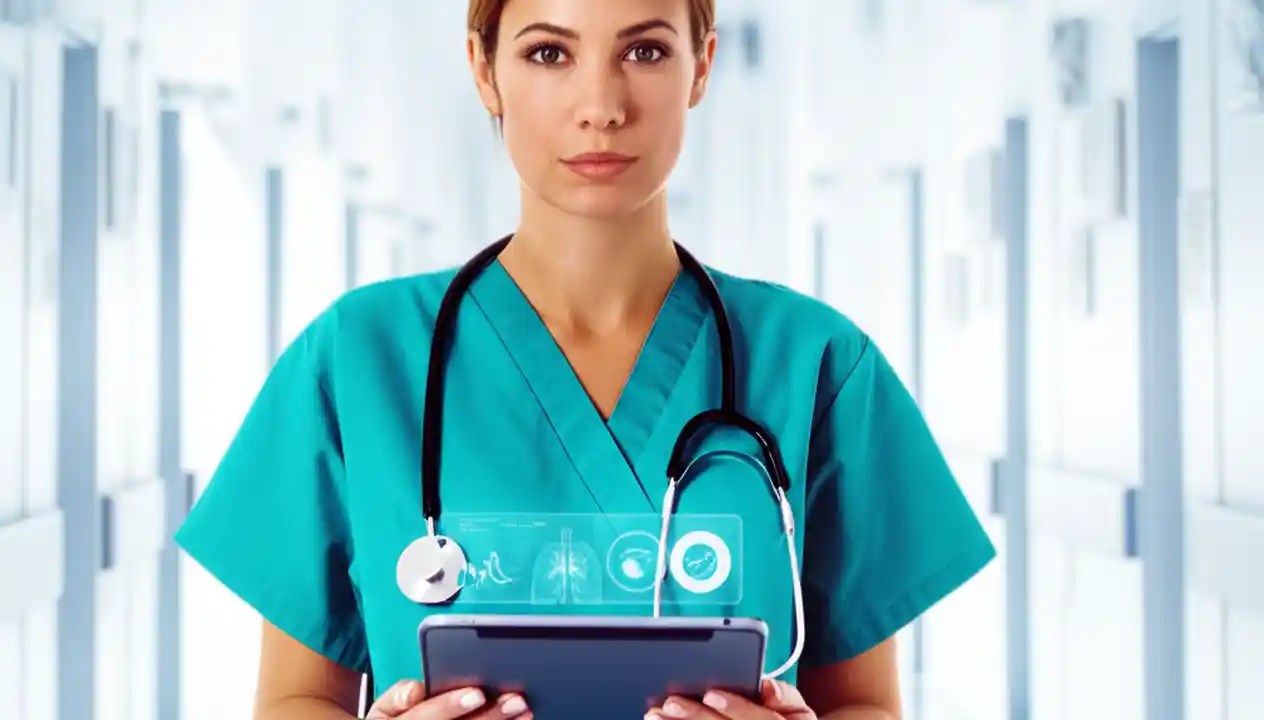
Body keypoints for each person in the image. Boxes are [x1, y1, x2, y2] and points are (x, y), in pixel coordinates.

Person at [175, 0, 996, 717]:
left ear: (701, 63)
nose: (600, 106)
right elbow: (295, 699)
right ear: (484, 69)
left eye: (644, 50)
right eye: (548, 52)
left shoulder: (817, 364)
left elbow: (864, 704)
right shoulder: (359, 359)